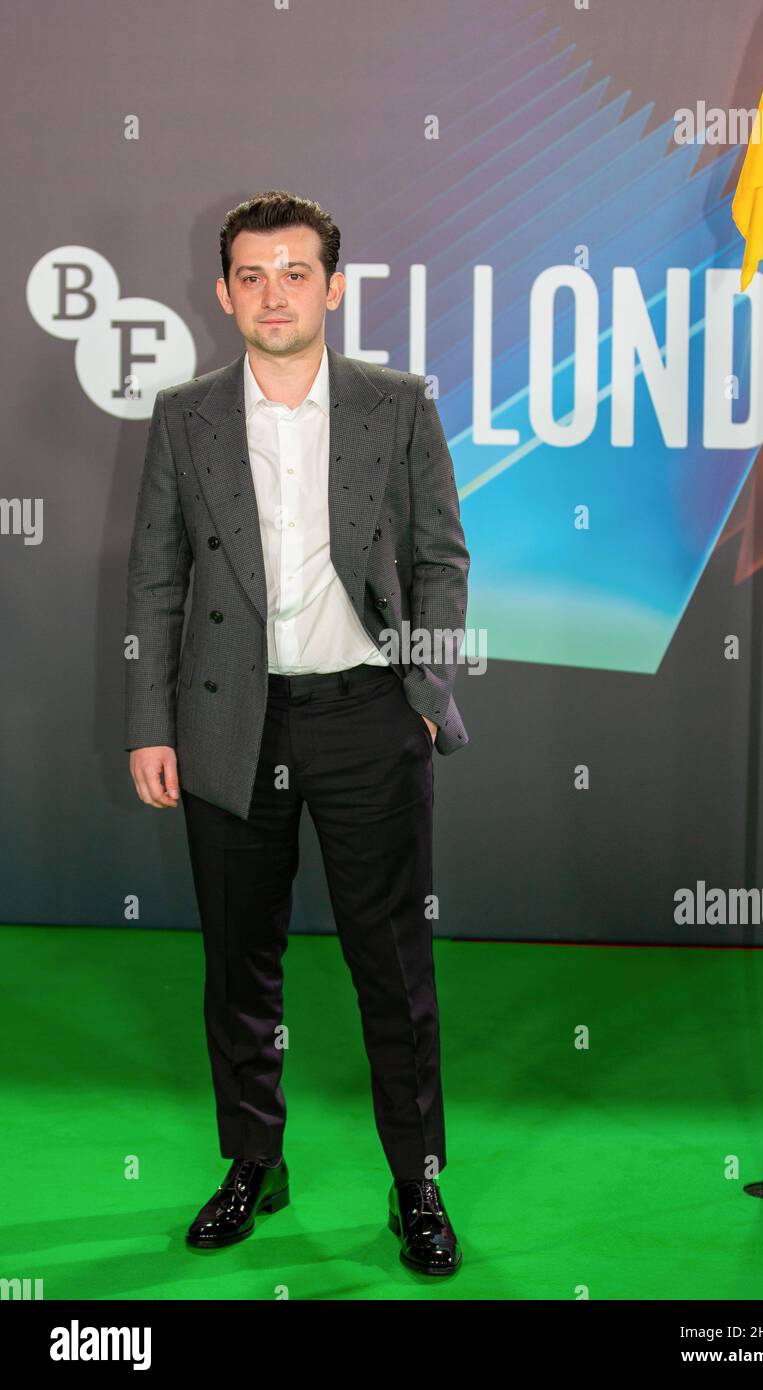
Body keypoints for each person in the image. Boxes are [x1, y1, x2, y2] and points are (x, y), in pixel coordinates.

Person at [124, 191, 470, 1276]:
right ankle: (250, 1164)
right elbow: (155, 578)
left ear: (331, 285)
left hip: (368, 718)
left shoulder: (397, 403)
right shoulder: (184, 415)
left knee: (391, 964)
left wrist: (421, 686)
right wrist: (151, 722)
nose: (274, 293)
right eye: (252, 275)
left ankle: (414, 1183)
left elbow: (440, 561)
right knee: (239, 963)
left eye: (294, 272)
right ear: (225, 291)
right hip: (229, 720)